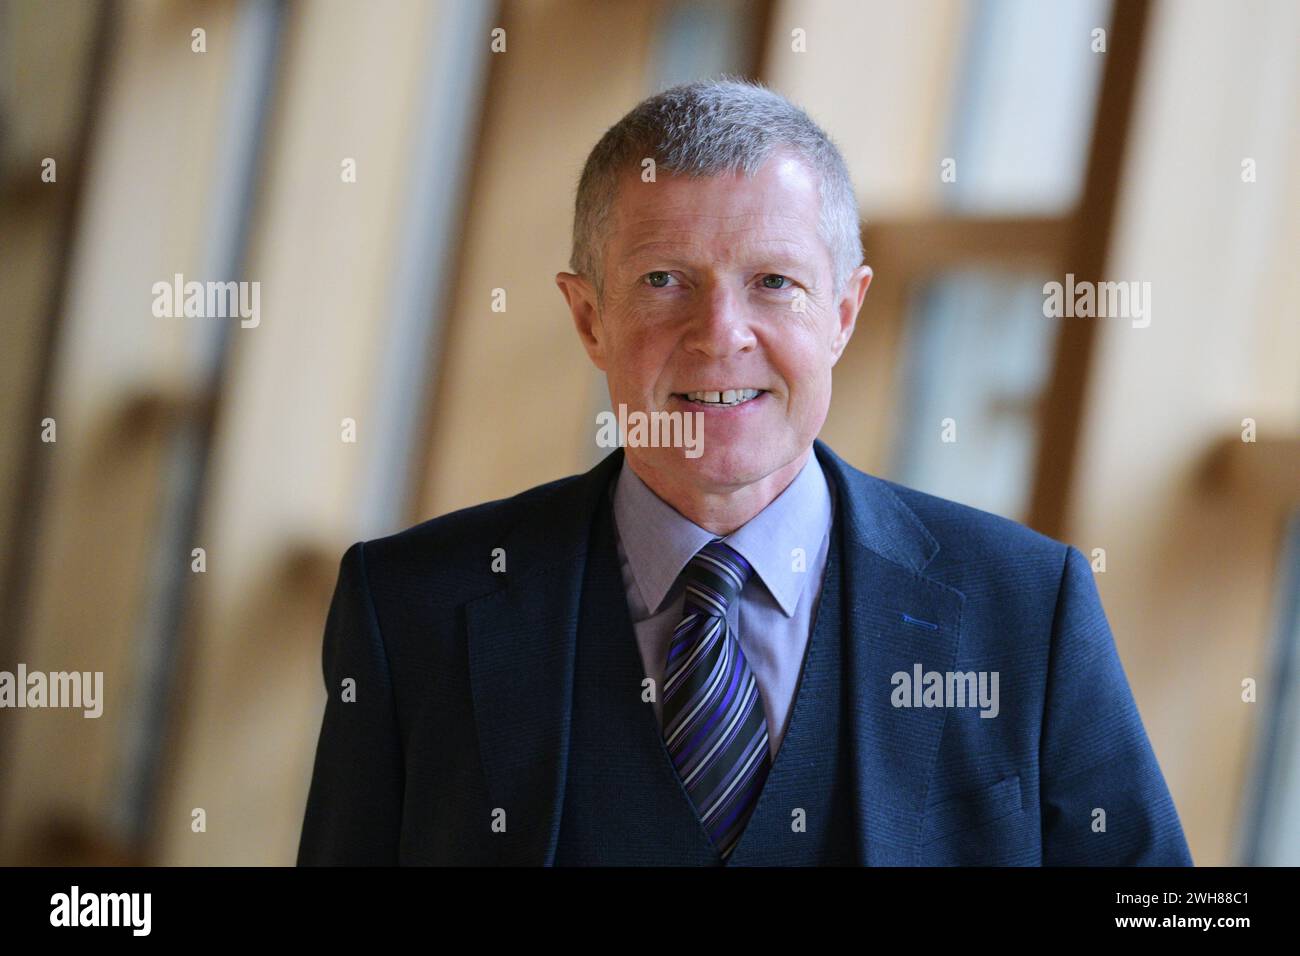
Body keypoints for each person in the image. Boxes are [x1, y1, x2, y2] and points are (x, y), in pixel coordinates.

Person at [297, 77, 1193, 866]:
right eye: (662, 281)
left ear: (844, 312)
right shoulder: (409, 610)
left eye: (774, 282)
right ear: (586, 317)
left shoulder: (1027, 609)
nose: (721, 333)